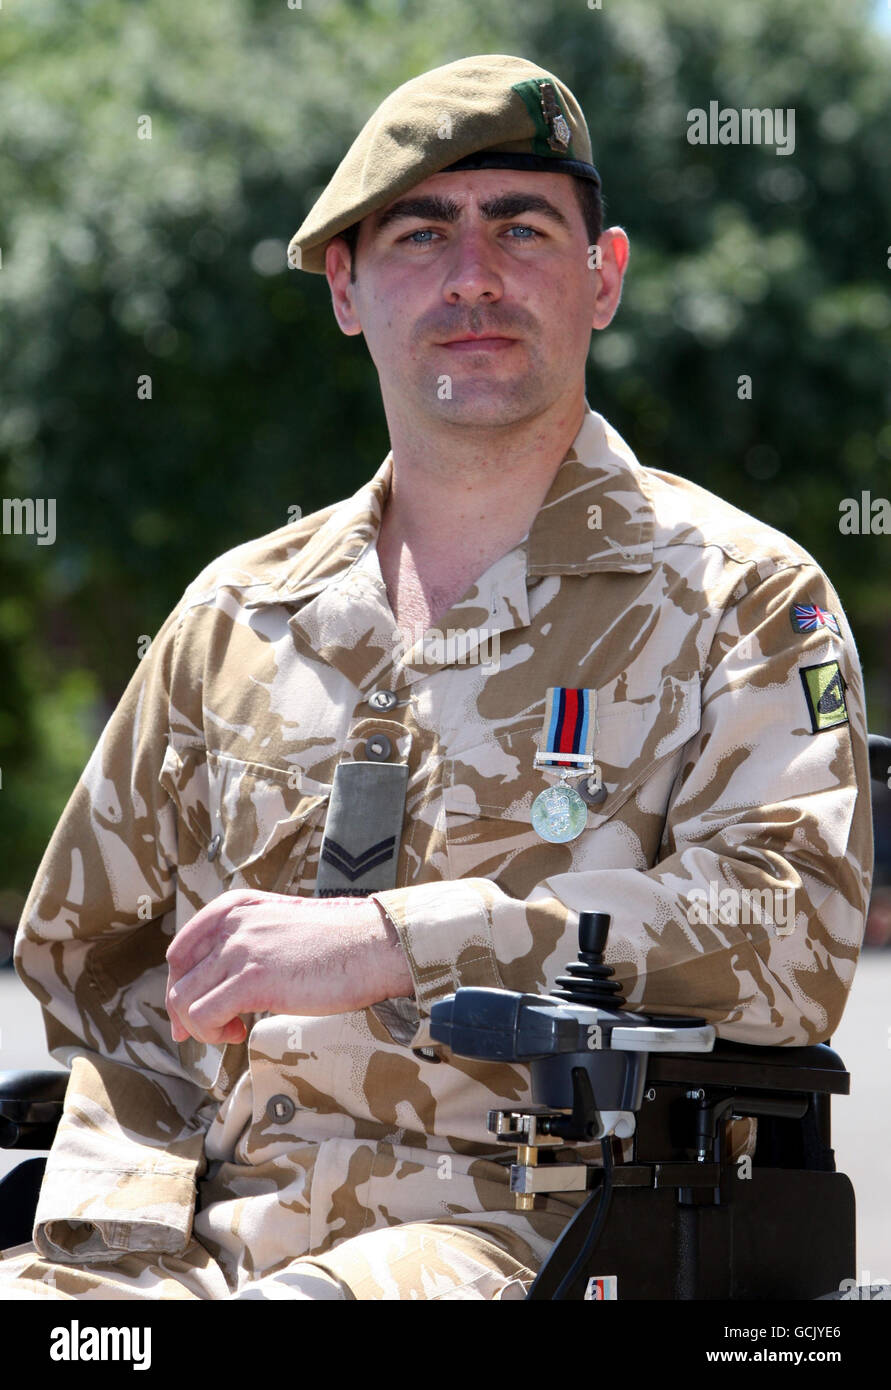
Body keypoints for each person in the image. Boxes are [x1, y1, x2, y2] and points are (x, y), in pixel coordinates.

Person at [0, 52, 874, 1301]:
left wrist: (404, 937)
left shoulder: (741, 598)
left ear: (602, 278)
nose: (473, 274)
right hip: (203, 1237)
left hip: (542, 1237)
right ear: (347, 289)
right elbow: (95, 957)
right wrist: (120, 1247)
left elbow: (787, 937)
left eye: (521, 227)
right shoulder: (237, 613)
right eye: (420, 233)